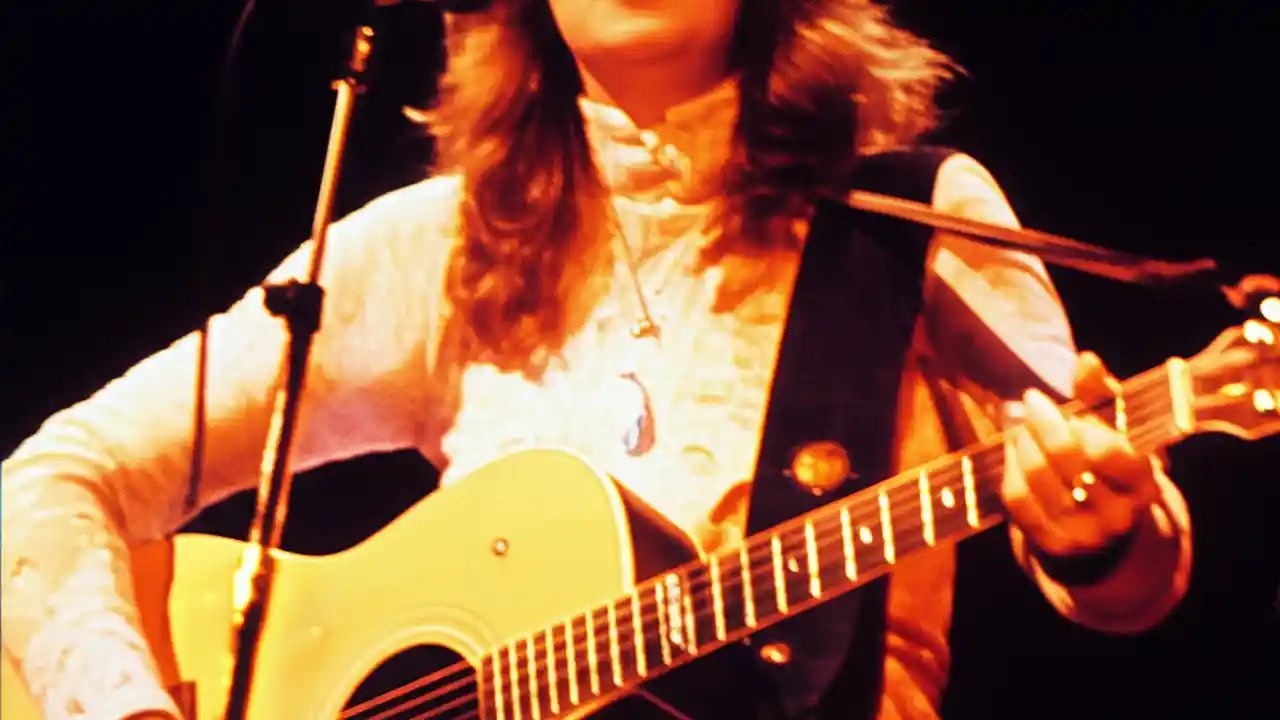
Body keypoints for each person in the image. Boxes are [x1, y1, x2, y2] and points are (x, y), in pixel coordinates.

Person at [0, 0, 1192, 718]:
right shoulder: (440, 247)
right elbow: (52, 481)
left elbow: (1130, 575)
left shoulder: (917, 219)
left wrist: (1100, 535)